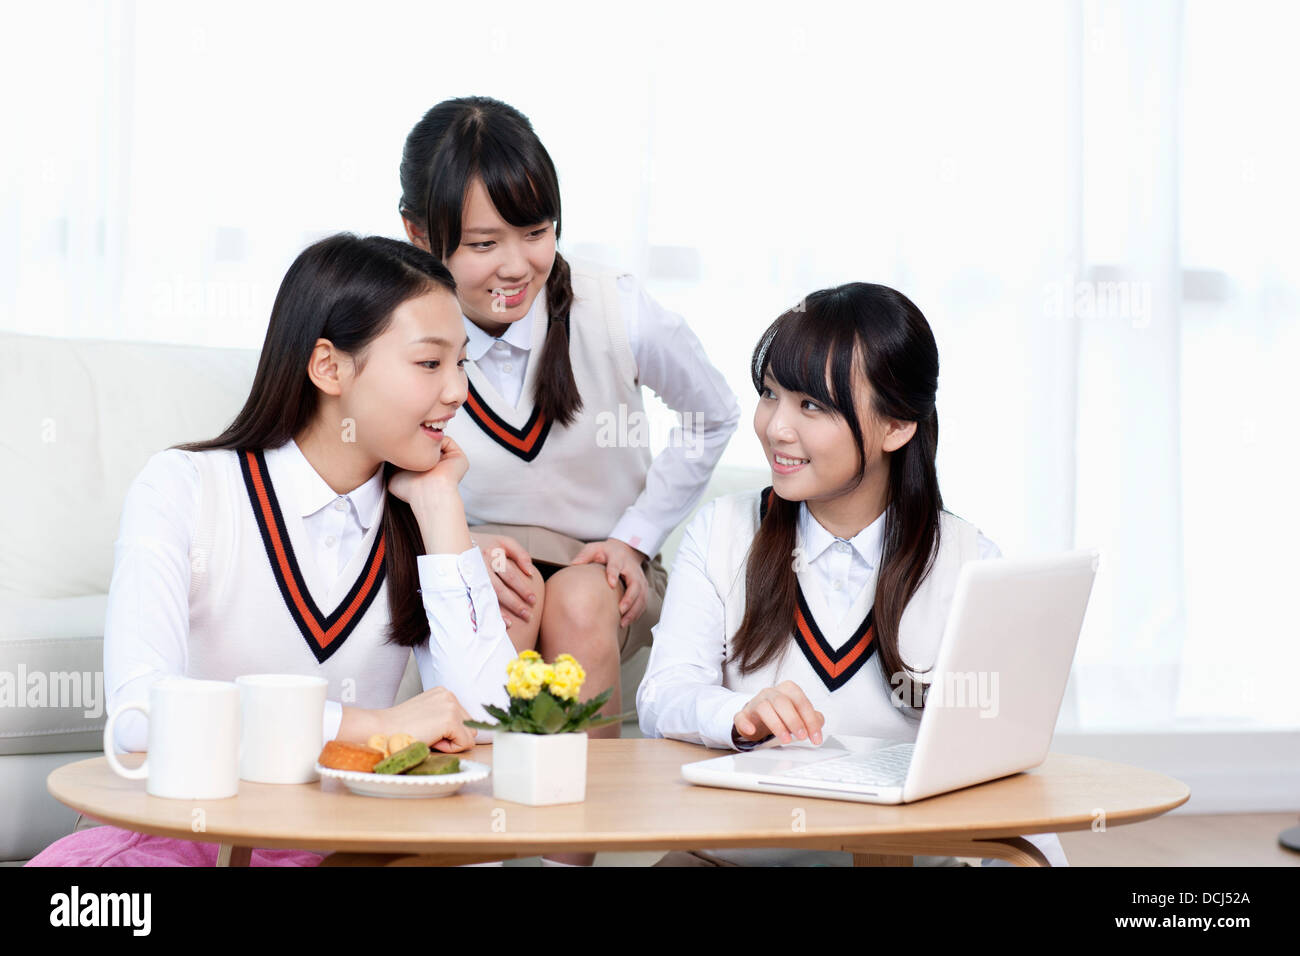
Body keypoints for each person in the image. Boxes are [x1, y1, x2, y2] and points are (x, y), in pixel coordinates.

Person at [27, 234, 515, 866]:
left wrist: (443, 510)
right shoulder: (186, 488)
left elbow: (496, 729)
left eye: (463, 364)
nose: (456, 393)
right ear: (329, 367)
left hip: (343, 848)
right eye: (430, 364)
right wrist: (365, 727)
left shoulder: (421, 513)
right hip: (182, 840)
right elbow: (142, 715)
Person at [636, 282, 1070, 867]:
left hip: (907, 856)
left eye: (811, 405)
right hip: (741, 856)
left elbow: (1001, 752)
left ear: (897, 426)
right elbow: (661, 697)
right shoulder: (722, 531)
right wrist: (736, 714)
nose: (775, 428)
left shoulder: (968, 561)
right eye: (770, 394)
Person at [397, 99, 740, 752]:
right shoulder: (398, 327)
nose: (516, 265)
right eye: (482, 243)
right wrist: (459, 547)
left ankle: (577, 845)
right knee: (497, 598)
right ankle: (479, 841)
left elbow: (713, 413)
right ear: (418, 233)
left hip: (601, 565)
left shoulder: (612, 305)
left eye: (535, 232)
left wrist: (634, 539)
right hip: (467, 557)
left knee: (579, 602)